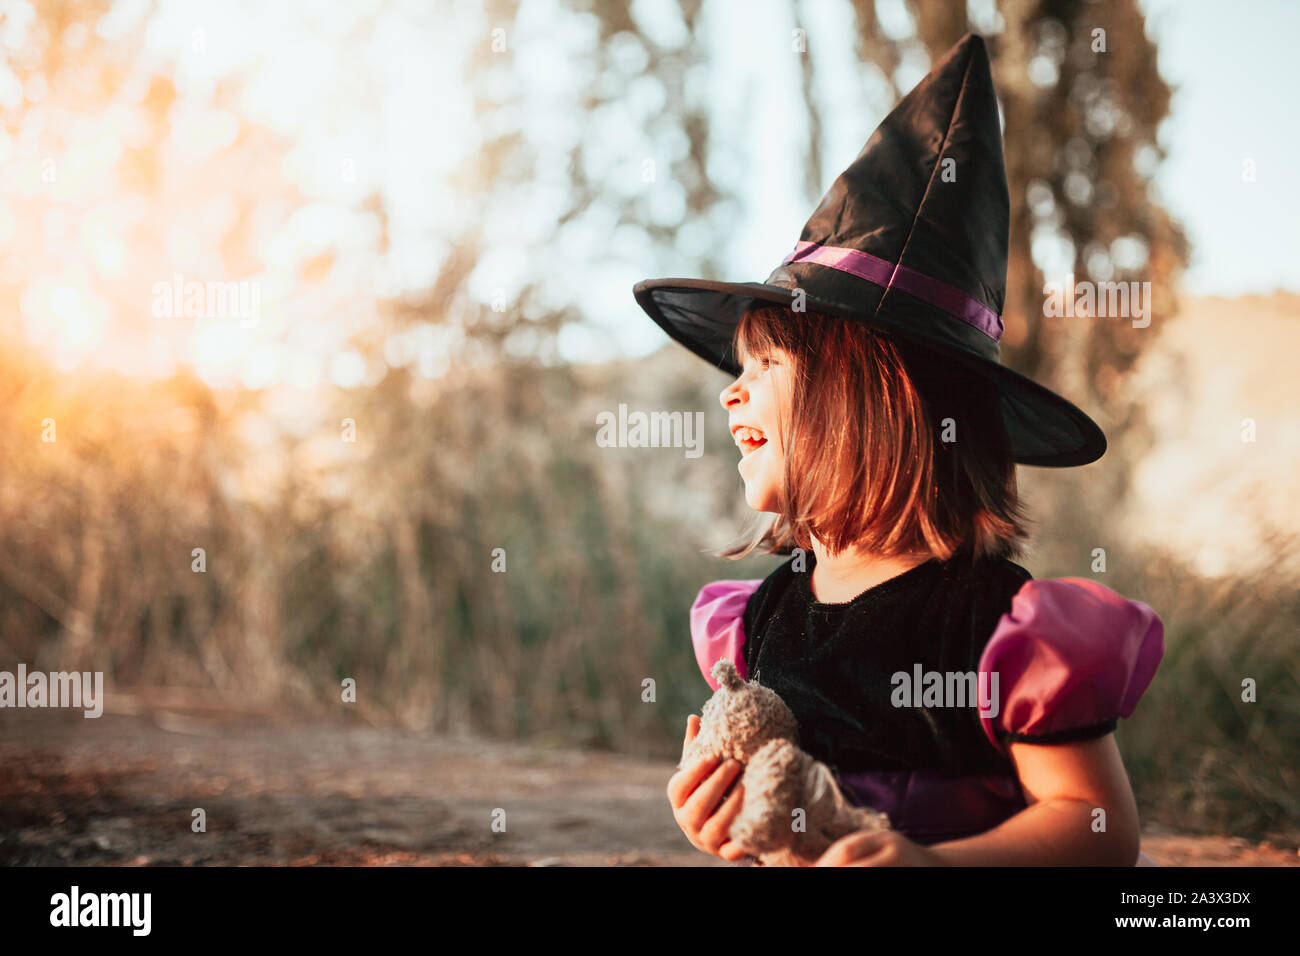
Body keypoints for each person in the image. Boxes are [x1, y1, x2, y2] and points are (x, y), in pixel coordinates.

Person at [636, 35, 1164, 866]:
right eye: (739, 370)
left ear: (875, 400)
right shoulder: (763, 620)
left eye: (766, 365)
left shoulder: (993, 628)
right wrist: (721, 817)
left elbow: (1096, 825)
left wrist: (934, 865)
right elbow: (782, 814)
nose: (732, 392)